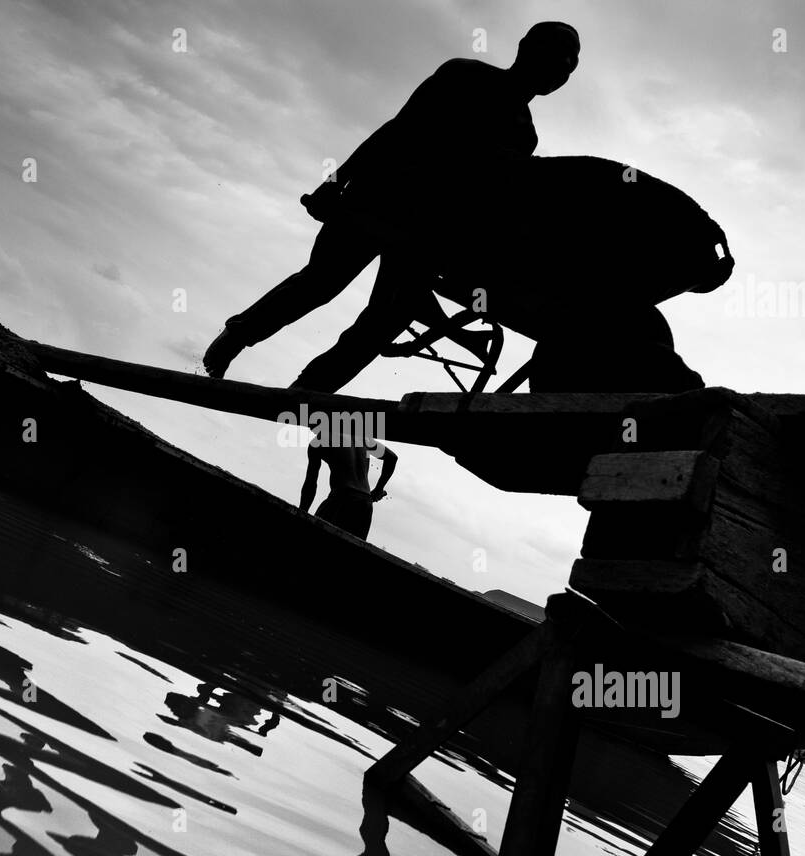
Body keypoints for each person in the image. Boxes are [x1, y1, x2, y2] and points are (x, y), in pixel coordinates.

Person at [202, 22, 582, 386]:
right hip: (378, 197)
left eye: (571, 64)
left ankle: (313, 388)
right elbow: (398, 128)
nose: (562, 67)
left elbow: (483, 201)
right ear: (525, 48)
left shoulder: (524, 136)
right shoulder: (464, 75)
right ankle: (237, 335)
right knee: (320, 283)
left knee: (390, 315)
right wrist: (333, 183)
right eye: (557, 52)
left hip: (428, 229)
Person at [299, 427, 398, 541]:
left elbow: (310, 484)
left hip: (342, 498)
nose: (311, 428)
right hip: (365, 505)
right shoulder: (361, 437)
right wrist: (378, 490)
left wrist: (301, 513)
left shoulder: (318, 441)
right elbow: (392, 458)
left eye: (312, 425)